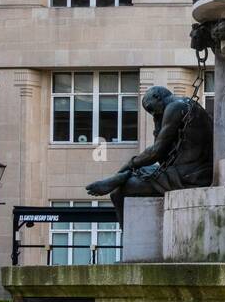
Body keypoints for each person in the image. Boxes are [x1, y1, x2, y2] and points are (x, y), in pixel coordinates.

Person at [85, 86, 213, 223]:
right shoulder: (188, 105)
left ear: (158, 97)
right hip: (189, 171)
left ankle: (122, 177)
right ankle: (122, 176)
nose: (152, 113)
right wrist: (158, 124)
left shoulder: (175, 107)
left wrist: (129, 164)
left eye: (150, 108)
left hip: (189, 176)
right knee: (141, 173)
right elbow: (163, 159)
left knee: (118, 192)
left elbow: (156, 152)